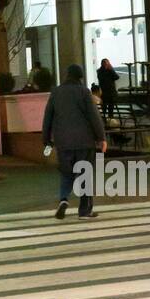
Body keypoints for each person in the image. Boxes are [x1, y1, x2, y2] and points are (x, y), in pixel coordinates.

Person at [42, 63, 107, 220]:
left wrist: (46, 140)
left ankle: (64, 199)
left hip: (63, 141)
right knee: (84, 174)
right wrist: (101, 137)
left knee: (66, 173)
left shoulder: (56, 92)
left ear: (67, 75)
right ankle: (84, 211)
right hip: (84, 141)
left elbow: (48, 117)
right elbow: (93, 116)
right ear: (80, 76)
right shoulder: (84, 92)